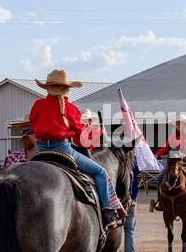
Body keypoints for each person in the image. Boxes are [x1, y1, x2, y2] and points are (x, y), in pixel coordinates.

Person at [28, 69, 124, 230]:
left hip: (40, 150)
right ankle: (107, 211)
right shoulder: (71, 109)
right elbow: (82, 139)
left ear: (47, 87)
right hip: (63, 149)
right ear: (66, 89)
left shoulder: (38, 105)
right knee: (101, 173)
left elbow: (34, 123)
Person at [153, 116, 186, 209]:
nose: (178, 125)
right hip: (175, 161)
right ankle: (159, 200)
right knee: (160, 177)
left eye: (180, 123)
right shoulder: (173, 137)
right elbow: (166, 147)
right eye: (177, 124)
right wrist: (156, 155)